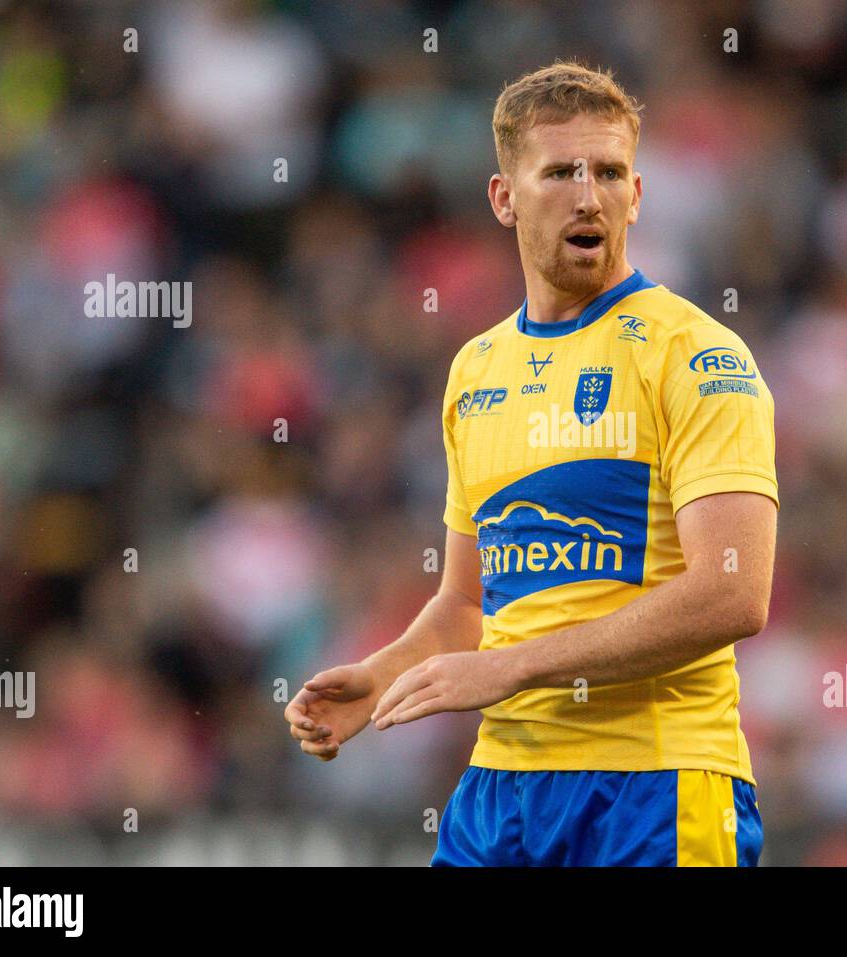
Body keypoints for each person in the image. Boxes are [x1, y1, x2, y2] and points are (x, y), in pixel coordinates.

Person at [285, 60, 778, 866]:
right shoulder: (475, 370)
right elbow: (465, 603)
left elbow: (732, 589)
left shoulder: (696, 354)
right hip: (504, 791)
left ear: (638, 195)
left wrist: (511, 669)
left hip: (655, 786)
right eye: (560, 173)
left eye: (610, 172)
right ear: (504, 197)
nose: (589, 197)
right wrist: (381, 679)